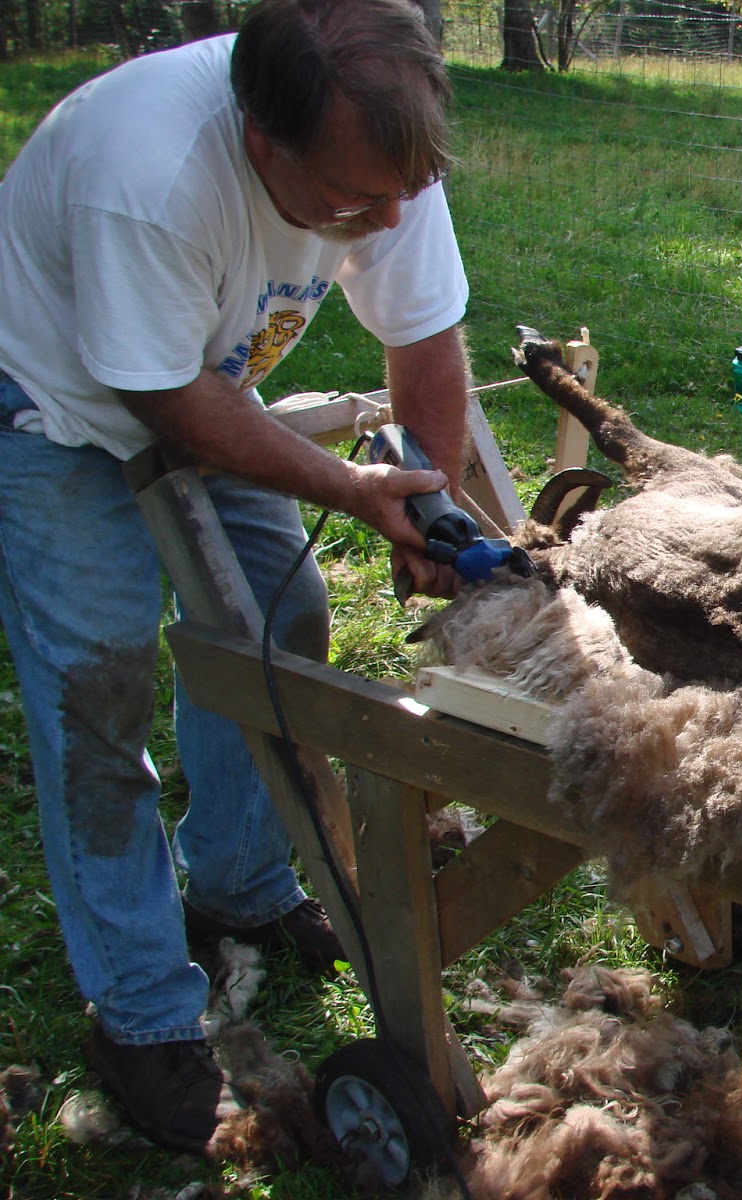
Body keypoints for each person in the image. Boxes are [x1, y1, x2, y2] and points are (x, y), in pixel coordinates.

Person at [0, 0, 473, 1153]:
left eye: (402, 193)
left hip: (196, 365)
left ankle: (242, 886)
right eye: (354, 202)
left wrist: (436, 509)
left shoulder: (383, 154)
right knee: (95, 690)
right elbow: (163, 404)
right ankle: (146, 1014)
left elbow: (423, 344)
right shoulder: (149, 175)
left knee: (281, 617)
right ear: (264, 140)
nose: (387, 219)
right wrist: (352, 492)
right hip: (51, 401)